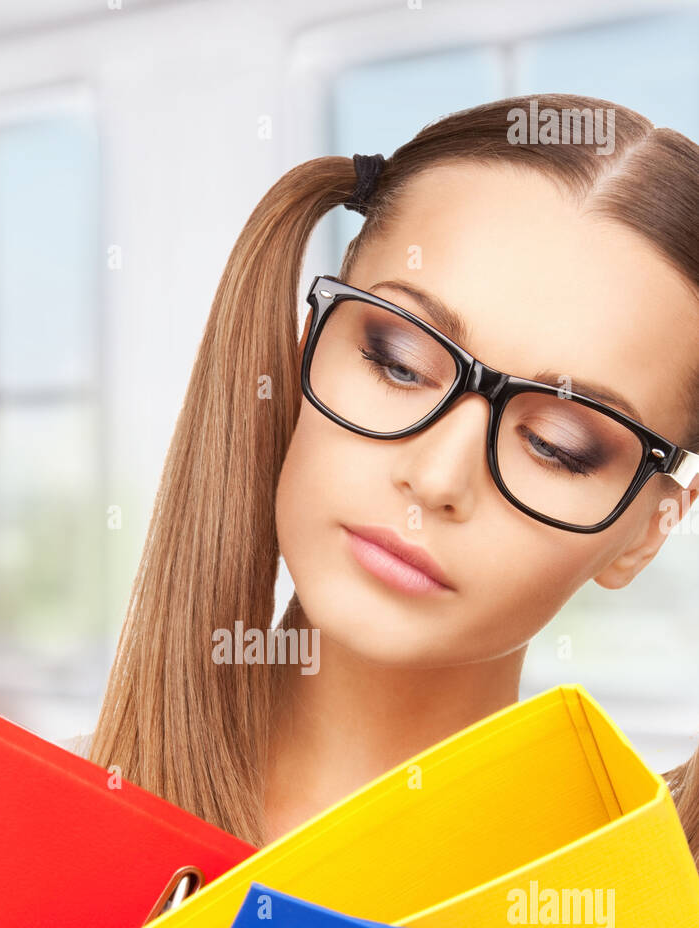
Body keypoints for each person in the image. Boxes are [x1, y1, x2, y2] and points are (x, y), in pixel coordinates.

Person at [85, 93, 699, 855]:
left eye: (559, 444)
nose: (437, 478)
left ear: (645, 531)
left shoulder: (645, 927)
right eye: (397, 362)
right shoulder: (23, 825)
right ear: (306, 347)